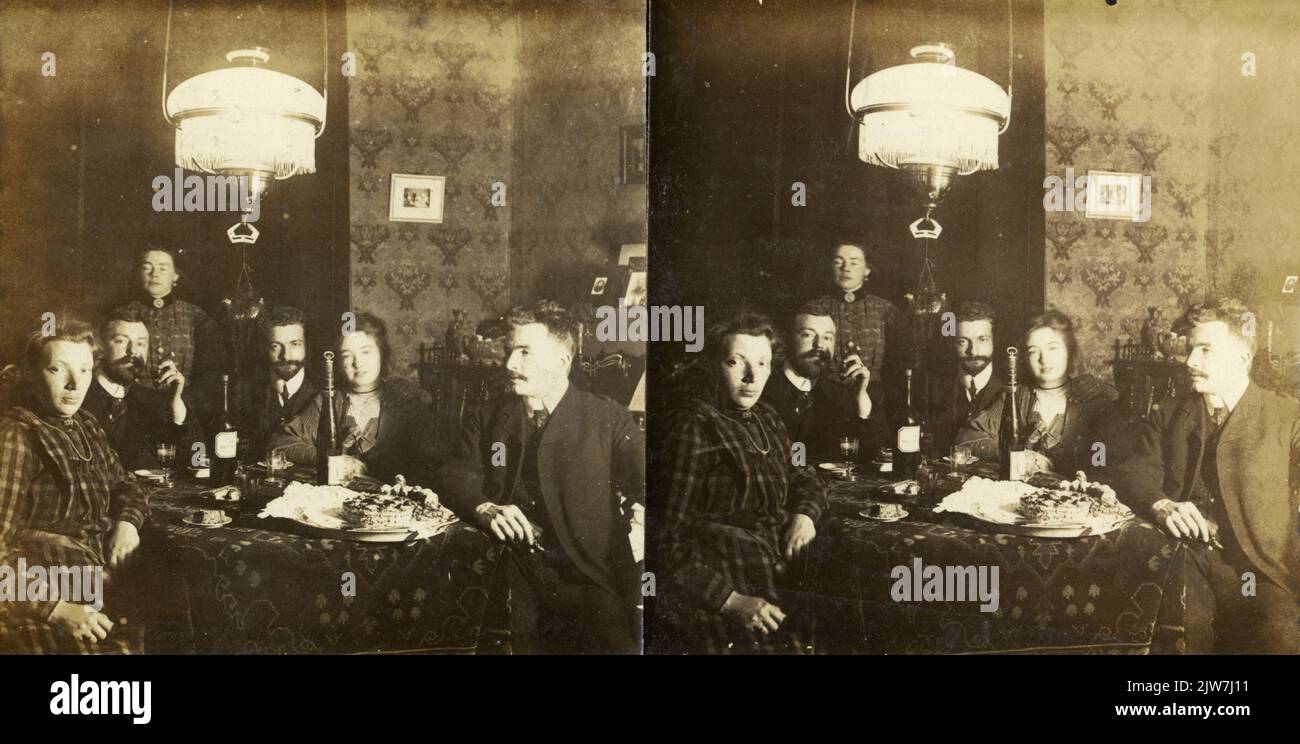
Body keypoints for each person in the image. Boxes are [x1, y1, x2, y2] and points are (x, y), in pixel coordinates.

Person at [439, 301, 643, 654]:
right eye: (509, 351)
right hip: (512, 565)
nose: (509, 364)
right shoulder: (486, 416)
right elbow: (456, 474)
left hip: (587, 571)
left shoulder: (607, 418)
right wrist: (486, 507)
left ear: (562, 361)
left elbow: (649, 475)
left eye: (524, 352)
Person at [1113, 298, 1298, 653]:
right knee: (1177, 642)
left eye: (1206, 350)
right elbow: (1134, 472)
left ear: (1242, 358)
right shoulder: (1169, 414)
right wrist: (1163, 504)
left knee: (1278, 641)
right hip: (1185, 561)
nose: (1190, 361)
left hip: (1255, 571)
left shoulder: (1284, 414)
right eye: (1191, 349)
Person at [653, 310, 827, 654]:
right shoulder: (694, 427)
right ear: (713, 365)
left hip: (772, 571)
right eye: (736, 362)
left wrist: (805, 515)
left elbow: (804, 476)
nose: (752, 377)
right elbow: (664, 541)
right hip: (723, 584)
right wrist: (732, 602)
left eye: (763, 364)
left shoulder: (768, 418)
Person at [0, 317, 148, 647]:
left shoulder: (85, 425)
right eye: (58, 369)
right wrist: (58, 609)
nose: (73, 385)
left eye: (83, 370)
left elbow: (126, 484)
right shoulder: (17, 436)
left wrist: (128, 522)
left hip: (92, 582)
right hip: (40, 597)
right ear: (31, 371)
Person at [274, 313, 439, 486]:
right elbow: (280, 443)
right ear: (338, 362)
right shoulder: (331, 401)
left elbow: (434, 463)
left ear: (382, 354)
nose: (357, 363)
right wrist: (328, 459)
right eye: (347, 355)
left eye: (366, 352)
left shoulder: (405, 400)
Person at [956, 310, 1119, 477]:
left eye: (1052, 348)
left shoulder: (1092, 398)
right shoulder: (1016, 396)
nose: (1044, 359)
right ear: (1025, 358)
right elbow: (966, 439)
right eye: (1033, 351)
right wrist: (1014, 454)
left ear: (1069, 351)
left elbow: (1109, 462)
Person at [760, 303, 880, 462]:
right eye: (808, 335)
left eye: (828, 337)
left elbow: (868, 458)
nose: (820, 345)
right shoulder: (760, 390)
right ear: (787, 338)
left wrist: (861, 398)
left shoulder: (839, 395)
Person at [81, 305, 193, 471]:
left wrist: (176, 403)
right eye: (120, 341)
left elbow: (187, 463)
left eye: (141, 344)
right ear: (101, 346)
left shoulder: (154, 402)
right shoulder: (77, 396)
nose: (133, 351)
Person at [804, 241, 904, 419]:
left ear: (867, 270)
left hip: (874, 400)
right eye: (838, 262)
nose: (846, 268)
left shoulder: (885, 309)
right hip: (822, 398)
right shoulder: (814, 308)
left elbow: (897, 363)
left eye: (854, 262)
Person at [226, 305, 318, 461]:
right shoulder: (241, 393)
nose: (285, 355)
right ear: (264, 348)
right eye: (276, 346)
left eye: (295, 344)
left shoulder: (324, 394)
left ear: (306, 346)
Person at [119, 247, 211, 384]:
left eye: (163, 268)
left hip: (184, 400)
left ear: (175, 275)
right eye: (146, 268)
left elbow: (209, 372)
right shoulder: (122, 315)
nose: (154, 274)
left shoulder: (195, 316)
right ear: (138, 274)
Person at [922, 300, 1005, 453]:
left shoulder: (1012, 387)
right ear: (952, 343)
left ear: (995, 340)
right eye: (963, 342)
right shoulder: (932, 384)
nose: (973, 351)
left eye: (982, 339)